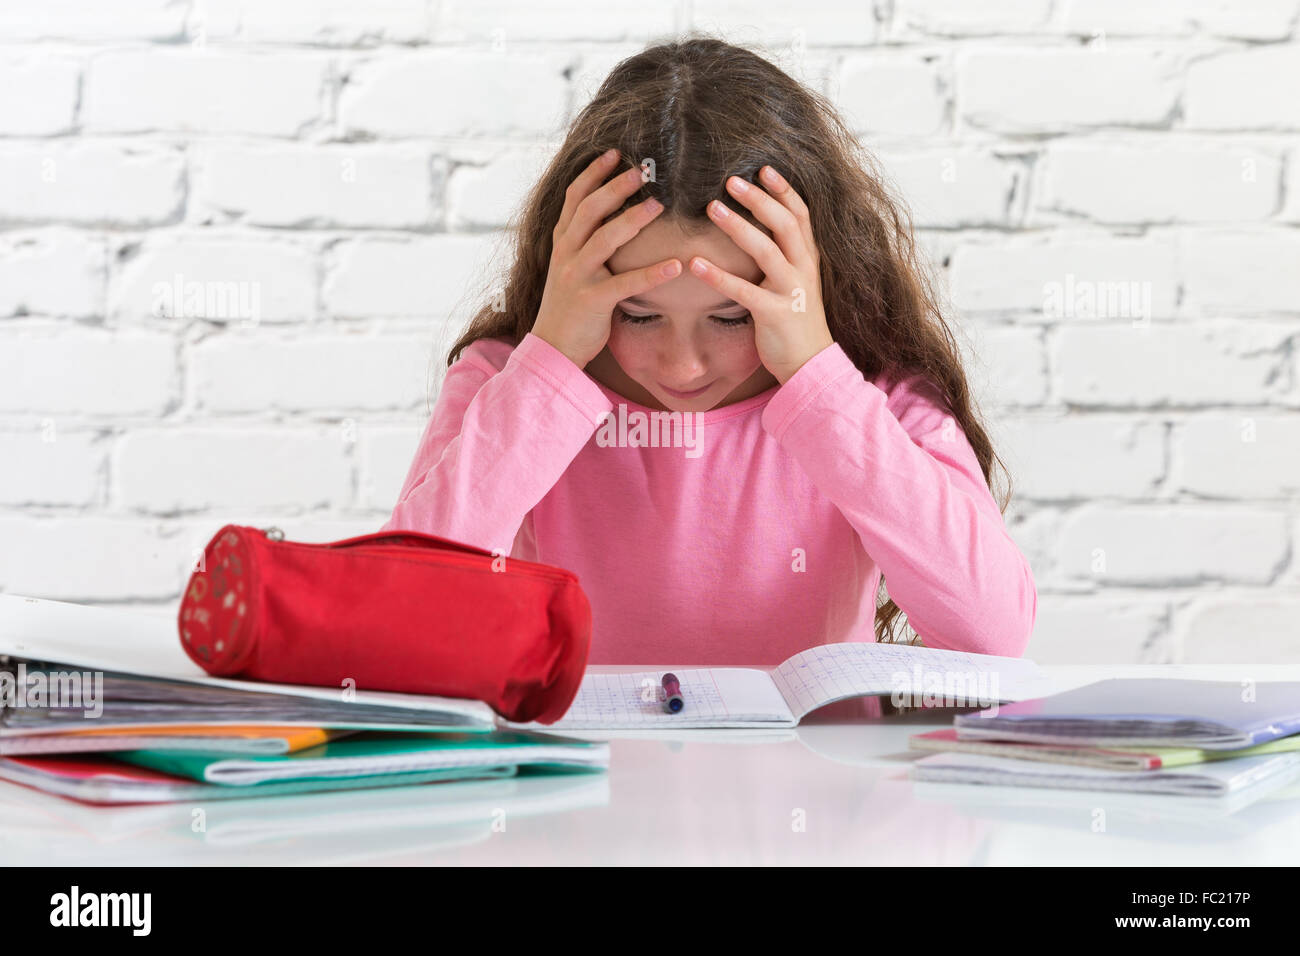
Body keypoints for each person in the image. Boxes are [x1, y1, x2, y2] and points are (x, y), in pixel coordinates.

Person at [380, 36, 1037, 686]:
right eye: (638, 314)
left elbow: (991, 636)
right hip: (573, 786)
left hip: (814, 787)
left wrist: (819, 382)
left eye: (732, 317)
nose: (684, 366)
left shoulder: (871, 397)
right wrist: (548, 365)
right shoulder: (507, 383)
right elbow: (398, 621)